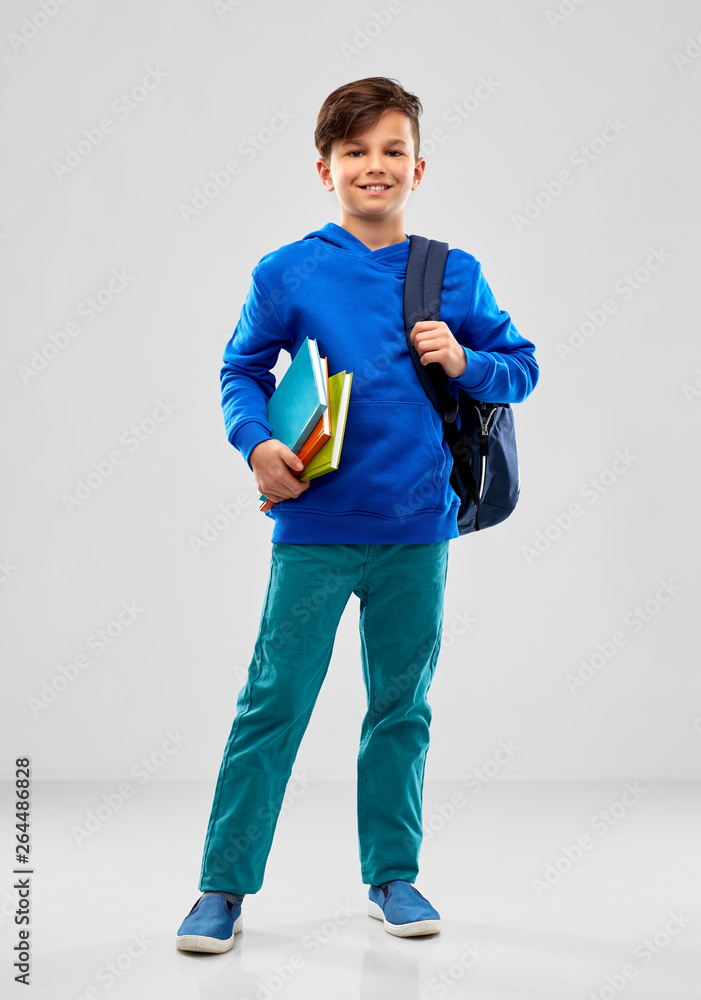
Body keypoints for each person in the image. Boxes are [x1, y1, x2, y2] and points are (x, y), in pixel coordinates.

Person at [176, 76, 539, 954]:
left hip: (418, 531)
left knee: (400, 706)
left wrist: (464, 359)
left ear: (419, 166)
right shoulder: (287, 271)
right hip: (312, 531)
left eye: (389, 150)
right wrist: (255, 442)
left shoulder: (454, 274)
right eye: (353, 152)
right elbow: (240, 371)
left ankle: (392, 877)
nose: (372, 166)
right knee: (272, 703)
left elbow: (519, 367)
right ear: (323, 167)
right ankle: (221, 888)